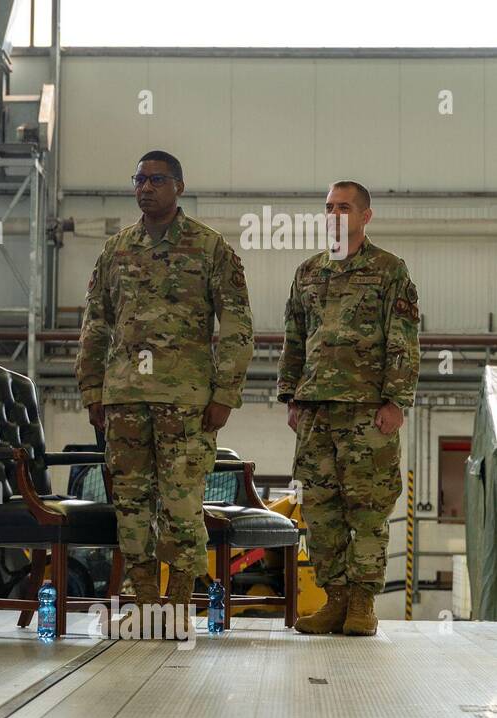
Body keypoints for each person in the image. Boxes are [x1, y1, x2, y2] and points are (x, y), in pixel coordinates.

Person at [75, 150, 254, 638]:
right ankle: (143, 602)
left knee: (180, 505)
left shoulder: (209, 247)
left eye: (156, 179)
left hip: (187, 401)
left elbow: (237, 323)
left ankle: (177, 603)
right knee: (131, 504)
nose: (145, 187)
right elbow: (95, 323)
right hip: (124, 399)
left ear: (179, 185)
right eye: (139, 179)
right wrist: (92, 387)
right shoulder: (115, 250)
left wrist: (225, 392)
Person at [280, 181, 420, 636]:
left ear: (365, 216)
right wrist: (291, 396)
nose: (335, 214)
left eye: (344, 207)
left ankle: (362, 603)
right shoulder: (307, 273)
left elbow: (403, 340)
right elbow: (294, 339)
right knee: (319, 508)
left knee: (368, 508)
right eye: (328, 207)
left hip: (368, 411)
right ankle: (334, 601)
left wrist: (396, 400)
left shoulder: (388, 271)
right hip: (316, 409)